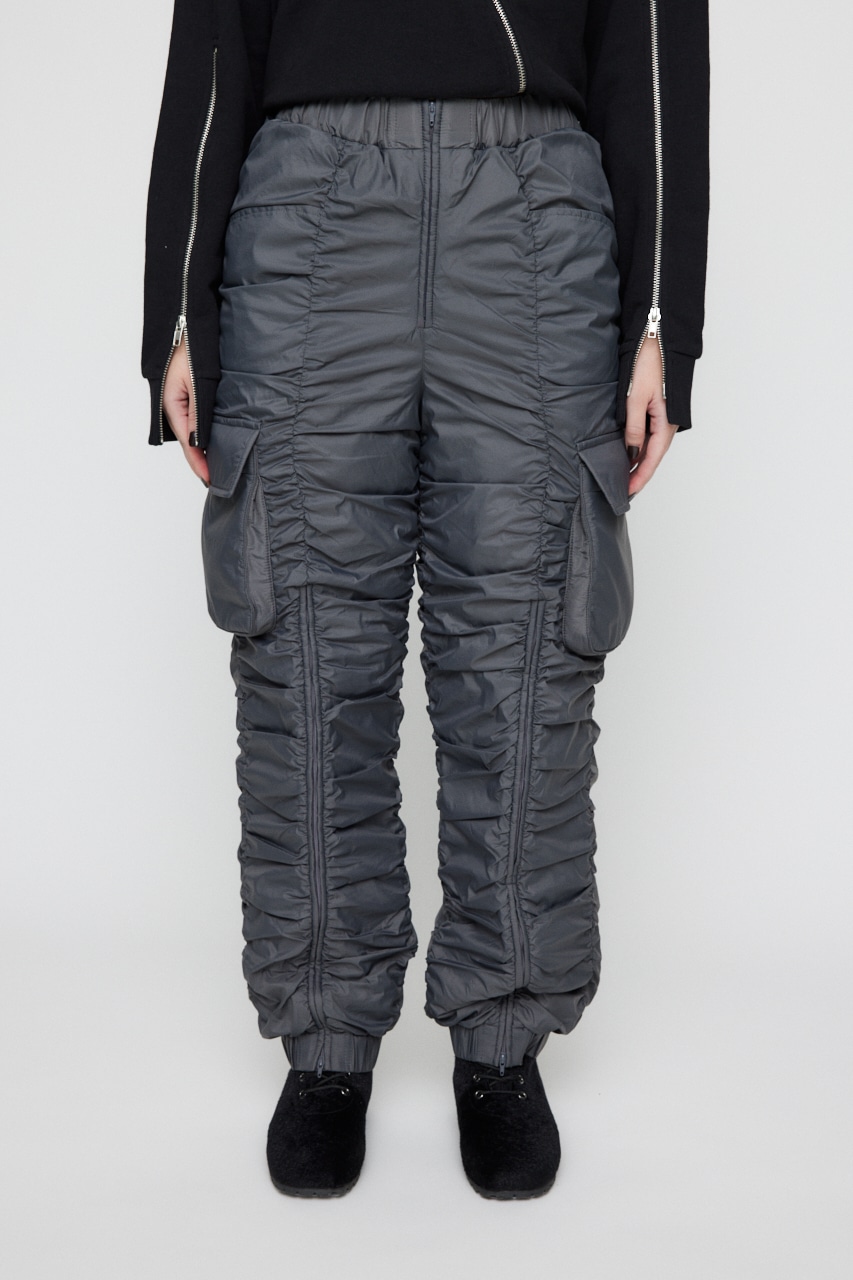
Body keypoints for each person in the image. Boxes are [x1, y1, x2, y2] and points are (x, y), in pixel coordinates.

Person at [141, 0, 709, 1201]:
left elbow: (653, 25)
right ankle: (325, 1033)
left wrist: (661, 312)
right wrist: (178, 308)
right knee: (301, 638)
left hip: (533, 210)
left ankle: (501, 1035)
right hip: (309, 205)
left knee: (526, 649)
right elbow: (216, 27)